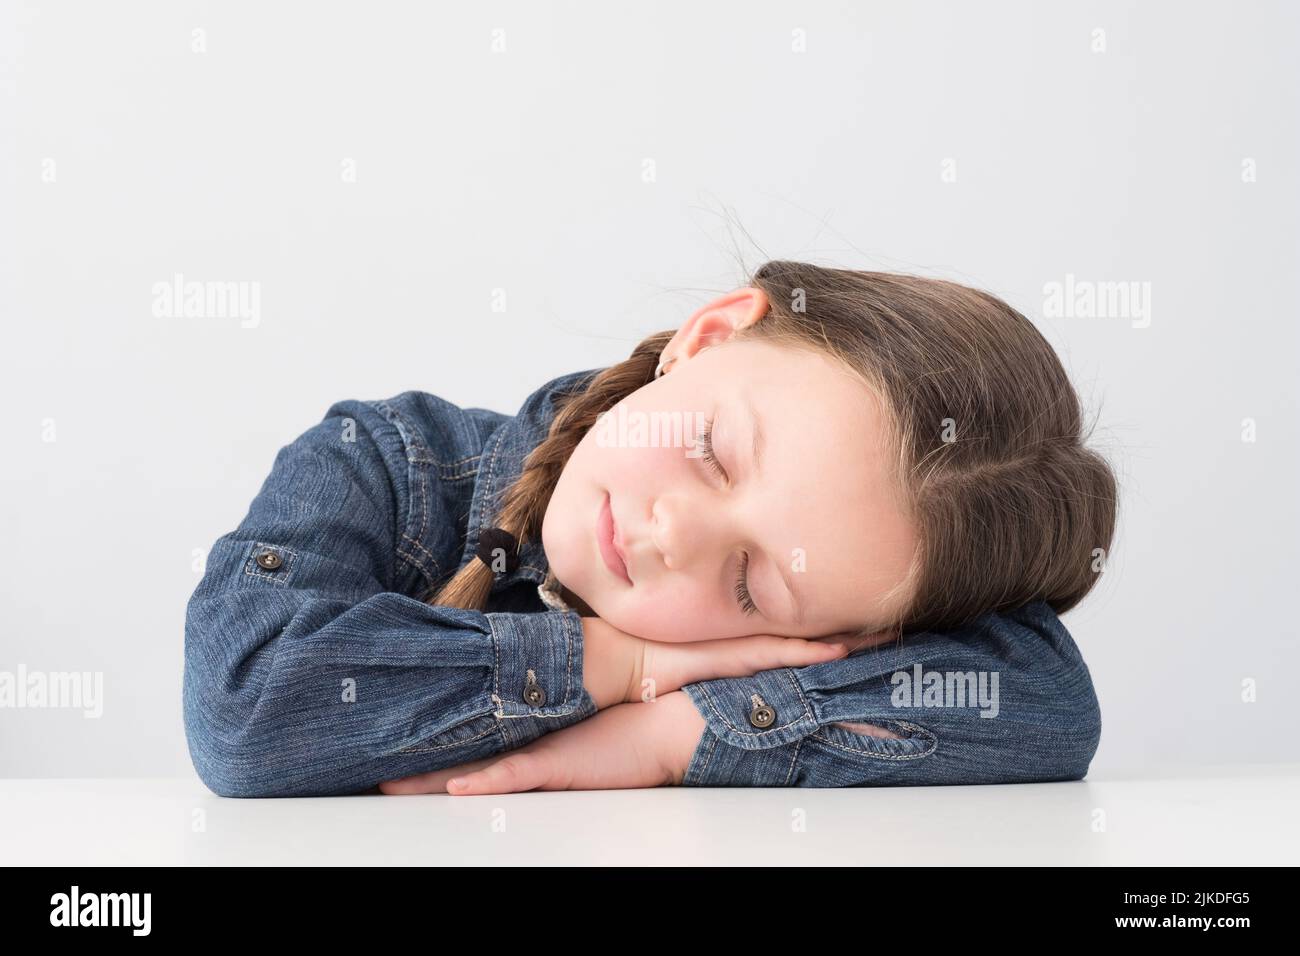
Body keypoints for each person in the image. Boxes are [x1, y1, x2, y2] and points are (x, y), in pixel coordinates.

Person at [183, 260, 1114, 797]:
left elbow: (1047, 704)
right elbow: (246, 705)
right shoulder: (384, 462)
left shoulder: (856, 612)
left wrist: (672, 735)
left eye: (752, 583)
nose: (675, 536)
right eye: (711, 452)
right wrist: (616, 667)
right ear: (706, 337)